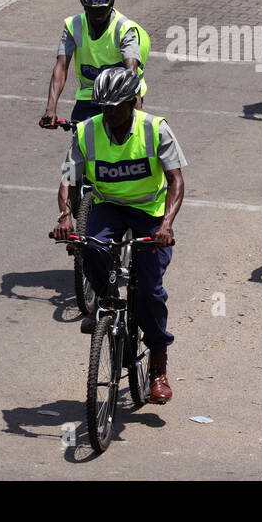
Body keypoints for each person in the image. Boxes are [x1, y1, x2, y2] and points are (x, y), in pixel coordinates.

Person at [52, 67, 185, 404]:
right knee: (90, 246)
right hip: (109, 204)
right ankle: (105, 305)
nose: (108, 113)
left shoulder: (156, 129)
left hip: (149, 211)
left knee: (151, 292)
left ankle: (157, 364)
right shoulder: (86, 132)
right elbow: (67, 179)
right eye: (103, 107)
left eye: (115, 107)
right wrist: (66, 216)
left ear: (131, 103)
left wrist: (166, 225)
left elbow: (176, 182)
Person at [40, 0, 145, 128]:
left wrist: (137, 118)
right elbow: (61, 67)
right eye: (90, 9)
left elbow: (131, 73)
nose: (96, 15)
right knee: (82, 140)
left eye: (102, 9)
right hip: (90, 95)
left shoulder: (125, 29)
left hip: (122, 96)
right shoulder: (72, 26)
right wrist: (51, 108)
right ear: (83, 4)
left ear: (112, 3)